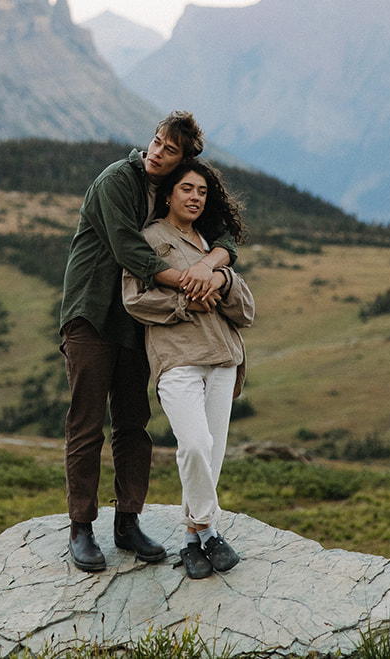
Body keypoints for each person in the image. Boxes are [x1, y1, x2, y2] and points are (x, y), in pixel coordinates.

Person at [58, 111, 238, 572]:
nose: (156, 152)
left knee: (133, 423)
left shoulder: (173, 189)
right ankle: (81, 527)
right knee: (87, 422)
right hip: (93, 311)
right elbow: (130, 250)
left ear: (183, 159)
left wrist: (210, 266)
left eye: (169, 149)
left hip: (139, 321)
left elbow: (224, 236)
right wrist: (193, 283)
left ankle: (127, 522)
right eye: (156, 141)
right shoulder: (118, 179)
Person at [122, 158, 254, 579]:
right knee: (194, 445)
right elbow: (134, 300)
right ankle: (210, 530)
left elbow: (247, 310)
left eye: (202, 191)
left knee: (211, 456)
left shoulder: (211, 245)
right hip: (177, 359)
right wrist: (186, 301)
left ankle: (192, 541)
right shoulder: (148, 239)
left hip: (224, 358)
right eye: (187, 189)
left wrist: (221, 281)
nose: (195, 197)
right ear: (168, 195)